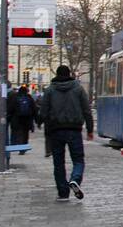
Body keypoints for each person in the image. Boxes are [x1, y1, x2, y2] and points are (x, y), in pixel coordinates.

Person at [37, 65, 94, 201]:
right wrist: (90, 129)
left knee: (58, 163)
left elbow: (43, 111)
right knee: (78, 159)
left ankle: (63, 193)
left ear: (56, 74)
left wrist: (39, 122)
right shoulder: (78, 89)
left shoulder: (50, 90)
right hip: (74, 130)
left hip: (56, 130)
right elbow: (86, 110)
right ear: (69, 74)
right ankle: (75, 179)